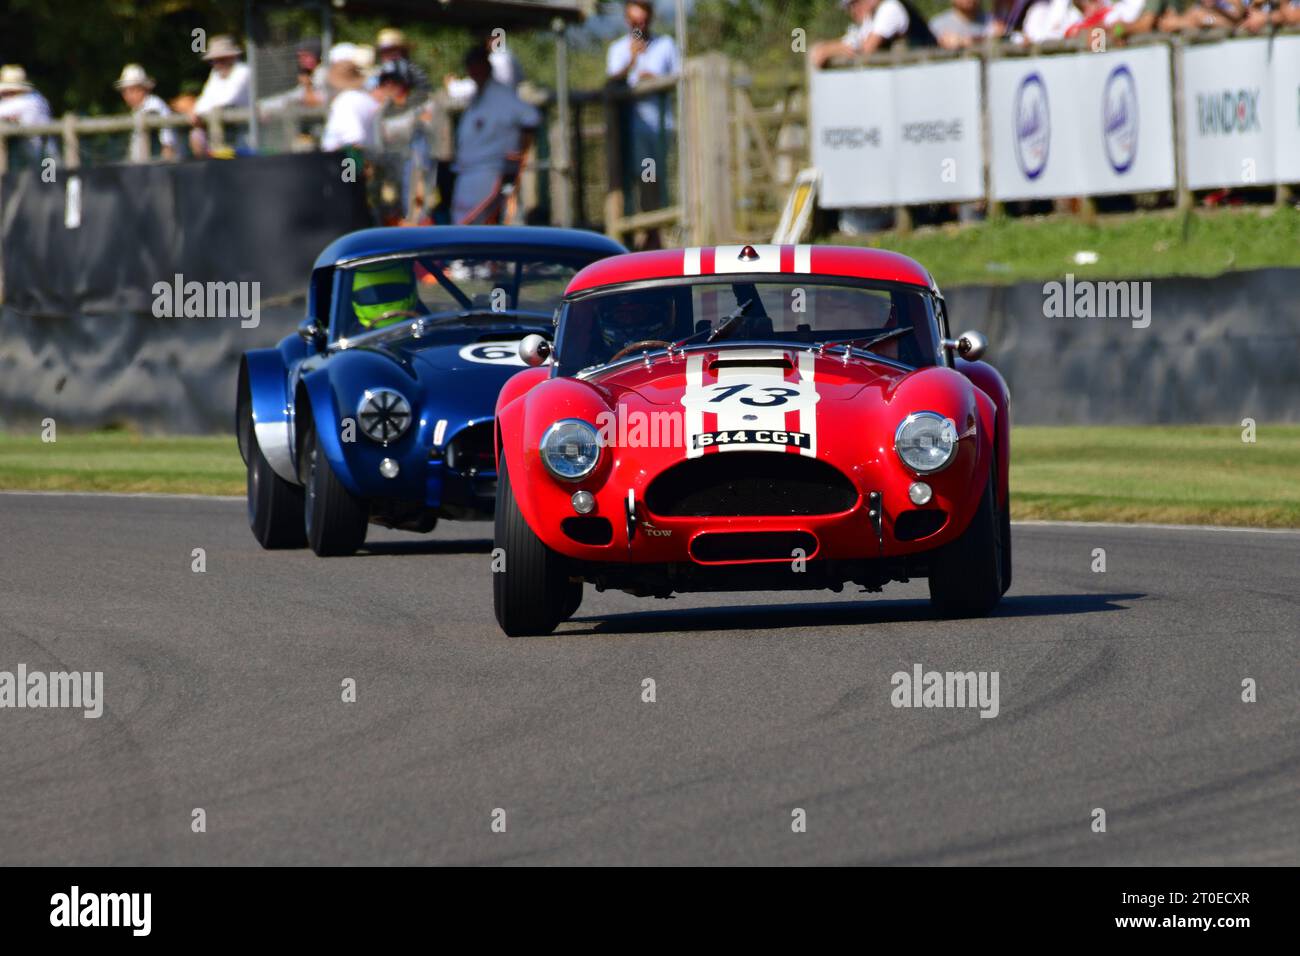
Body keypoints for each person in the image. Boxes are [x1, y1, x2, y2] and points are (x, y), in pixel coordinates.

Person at [606, 1, 680, 237]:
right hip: (628, 130)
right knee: (638, 180)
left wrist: (655, 79)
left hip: (660, 128)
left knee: (654, 177)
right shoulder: (618, 50)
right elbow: (612, 83)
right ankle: (641, 232)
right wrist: (632, 61)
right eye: (635, 22)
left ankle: (654, 233)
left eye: (644, 21)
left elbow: (680, 79)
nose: (640, 26)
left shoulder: (666, 45)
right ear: (627, 22)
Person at [450, 46, 539, 225]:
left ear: (487, 66)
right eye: (470, 66)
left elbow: (531, 118)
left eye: (477, 65)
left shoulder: (502, 96)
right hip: (467, 174)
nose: (473, 71)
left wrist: (517, 159)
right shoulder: (475, 98)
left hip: (491, 173)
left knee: (488, 226)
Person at [812, 0, 936, 69]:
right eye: (849, 7)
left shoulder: (890, 7)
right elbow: (820, 53)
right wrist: (830, 49)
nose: (852, 11)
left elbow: (867, 49)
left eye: (855, 3)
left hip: (931, 70)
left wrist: (832, 50)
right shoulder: (870, 20)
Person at [188, 35, 250, 156]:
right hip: (225, 132)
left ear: (232, 57)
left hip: (246, 133)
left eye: (221, 59)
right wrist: (196, 112)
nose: (217, 64)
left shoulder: (243, 72)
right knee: (196, 135)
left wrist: (200, 112)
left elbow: (229, 99)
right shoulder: (216, 74)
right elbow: (205, 98)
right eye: (214, 60)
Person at [114, 64, 178, 162]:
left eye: (132, 90)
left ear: (143, 89)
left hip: (155, 167)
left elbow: (167, 143)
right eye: (125, 91)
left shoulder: (155, 107)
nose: (128, 95)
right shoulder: (137, 110)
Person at [350, 260, 427, 331]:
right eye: (368, 295)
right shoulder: (349, 338)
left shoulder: (427, 323)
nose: (384, 304)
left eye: (392, 291)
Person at [0, 65, 53, 164]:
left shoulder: (25, 102)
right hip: (42, 154)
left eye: (5, 93)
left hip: (38, 155)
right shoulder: (36, 98)